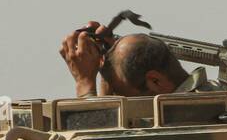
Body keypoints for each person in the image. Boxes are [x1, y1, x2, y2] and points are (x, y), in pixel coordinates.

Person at [59, 21, 214, 97]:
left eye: (122, 94)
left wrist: (84, 83)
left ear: (155, 81)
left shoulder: (186, 114)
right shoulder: (212, 92)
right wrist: (107, 71)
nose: (122, 101)